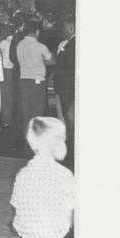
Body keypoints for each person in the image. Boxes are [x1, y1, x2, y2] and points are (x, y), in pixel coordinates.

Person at [10, 116, 74, 238]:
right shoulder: (64, 174)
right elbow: (69, 216)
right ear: (56, 143)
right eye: (64, 140)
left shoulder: (22, 172)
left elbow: (15, 206)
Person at [16, 20, 55, 142]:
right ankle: (36, 144)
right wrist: (43, 61)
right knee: (37, 113)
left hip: (23, 80)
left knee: (26, 113)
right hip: (37, 82)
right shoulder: (40, 46)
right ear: (37, 32)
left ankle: (26, 143)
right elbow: (51, 60)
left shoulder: (19, 45)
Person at [53, 19, 75, 167]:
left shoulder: (73, 44)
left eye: (65, 28)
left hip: (67, 85)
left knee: (69, 116)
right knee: (67, 116)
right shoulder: (69, 43)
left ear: (72, 27)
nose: (63, 31)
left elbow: (67, 64)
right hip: (65, 85)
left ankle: (71, 147)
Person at [0, 23, 16, 130]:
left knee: (4, 97)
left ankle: (6, 120)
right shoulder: (16, 42)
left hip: (5, 70)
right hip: (14, 71)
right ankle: (9, 119)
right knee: (11, 96)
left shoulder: (3, 43)